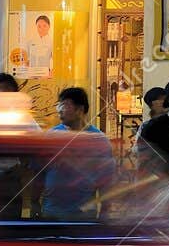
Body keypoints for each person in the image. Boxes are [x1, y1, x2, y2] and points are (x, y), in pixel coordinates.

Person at [41, 87, 115, 219]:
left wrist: (105, 212)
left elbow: (106, 181)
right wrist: (35, 204)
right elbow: (39, 173)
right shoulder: (51, 137)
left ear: (80, 110)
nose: (59, 110)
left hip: (83, 213)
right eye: (59, 105)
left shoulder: (98, 140)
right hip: (51, 211)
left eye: (64, 105)